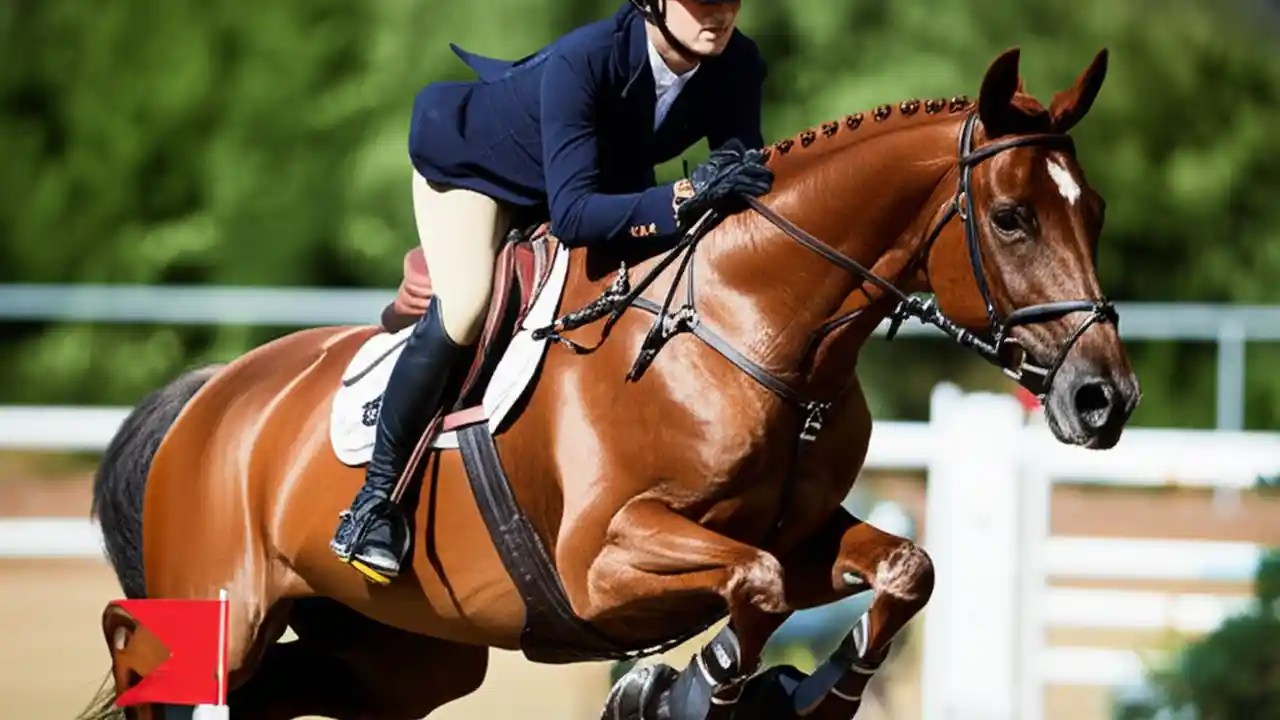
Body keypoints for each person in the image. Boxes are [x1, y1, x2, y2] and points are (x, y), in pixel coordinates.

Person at [330, 0, 775, 583]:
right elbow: (572, 215)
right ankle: (373, 503)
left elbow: (740, 171)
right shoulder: (586, 59)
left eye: (729, 1)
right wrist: (684, 196)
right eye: (700, 2)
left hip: (593, 178)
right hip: (478, 168)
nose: (718, 14)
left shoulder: (738, 63)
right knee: (466, 307)